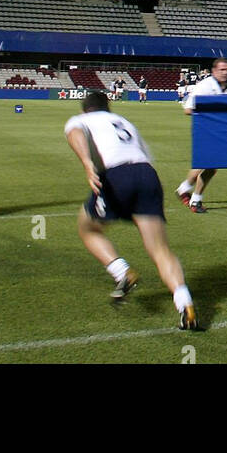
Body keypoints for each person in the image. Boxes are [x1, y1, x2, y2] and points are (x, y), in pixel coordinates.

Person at [65, 91, 198, 329]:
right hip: (147, 175)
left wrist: (87, 164)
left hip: (117, 176)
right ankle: (185, 303)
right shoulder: (125, 122)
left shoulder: (81, 120)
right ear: (109, 107)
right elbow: (145, 156)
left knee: (88, 229)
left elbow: (74, 134)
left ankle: (122, 272)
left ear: (85, 109)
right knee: (160, 249)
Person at [175, 58, 227, 213]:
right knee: (209, 167)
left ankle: (184, 189)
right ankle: (195, 200)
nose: (225, 72)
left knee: (206, 166)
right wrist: (210, 114)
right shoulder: (204, 86)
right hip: (205, 131)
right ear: (214, 71)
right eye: (221, 69)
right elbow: (188, 109)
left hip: (221, 132)